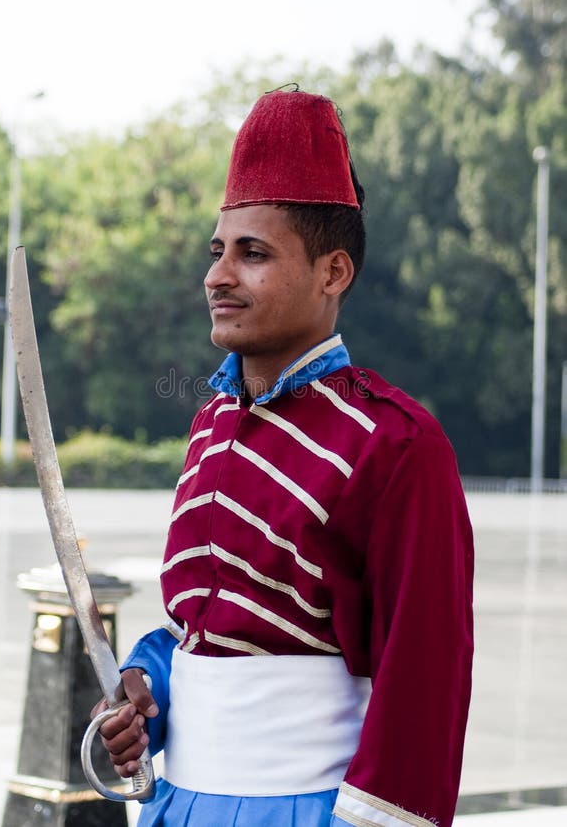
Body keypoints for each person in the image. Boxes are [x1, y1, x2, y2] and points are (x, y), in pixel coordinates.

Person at [93, 87, 474, 827]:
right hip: (175, 808)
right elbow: (202, 625)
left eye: (253, 254)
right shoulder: (211, 425)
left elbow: (425, 679)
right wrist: (145, 689)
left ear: (333, 273)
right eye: (217, 252)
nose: (218, 276)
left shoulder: (397, 443)